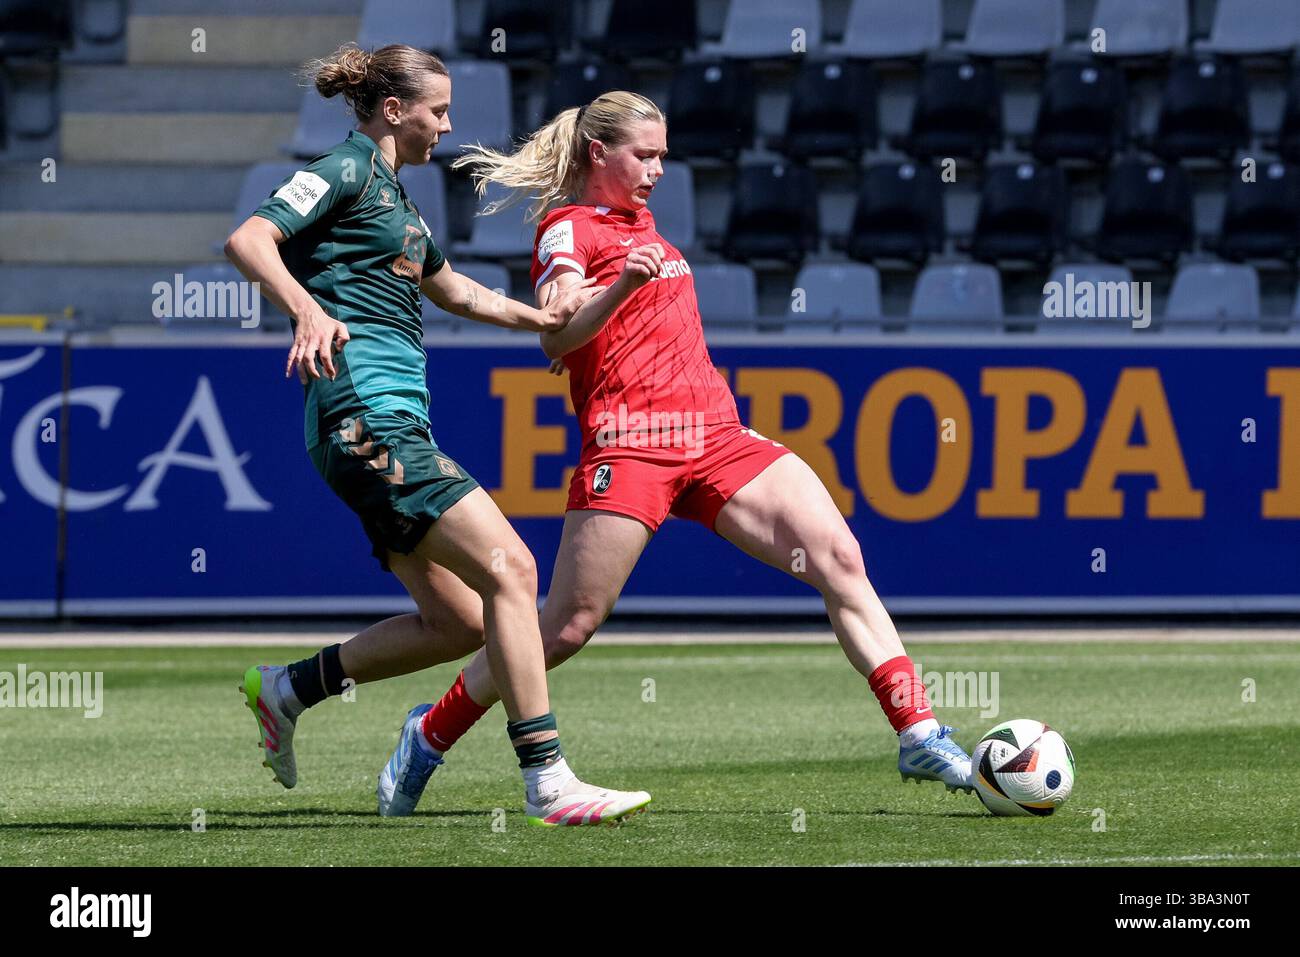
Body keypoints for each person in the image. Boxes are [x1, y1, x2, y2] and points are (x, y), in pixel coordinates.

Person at [373, 90, 975, 815]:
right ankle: (430, 733)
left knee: (840, 557)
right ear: (600, 154)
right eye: (644, 155)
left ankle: (916, 726)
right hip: (631, 444)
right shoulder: (569, 229)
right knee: (564, 626)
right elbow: (556, 335)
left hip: (717, 435)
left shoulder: (640, 219)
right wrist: (617, 289)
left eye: (663, 154)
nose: (659, 169)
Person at [223, 44, 650, 827]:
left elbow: (453, 289)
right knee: (514, 569)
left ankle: (286, 689)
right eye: (438, 111)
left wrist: (544, 318)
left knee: (458, 622)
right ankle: (547, 779)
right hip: (364, 418)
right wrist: (308, 309)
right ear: (394, 111)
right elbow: (250, 239)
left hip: (381, 425)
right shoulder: (347, 169)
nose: (447, 127)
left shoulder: (402, 205)